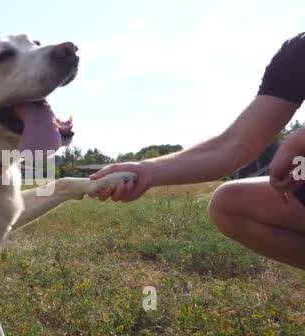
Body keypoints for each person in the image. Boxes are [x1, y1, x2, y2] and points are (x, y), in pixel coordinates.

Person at [91, 33, 305, 269]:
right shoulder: (297, 53)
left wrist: (300, 139)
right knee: (229, 204)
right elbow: (234, 144)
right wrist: (146, 171)